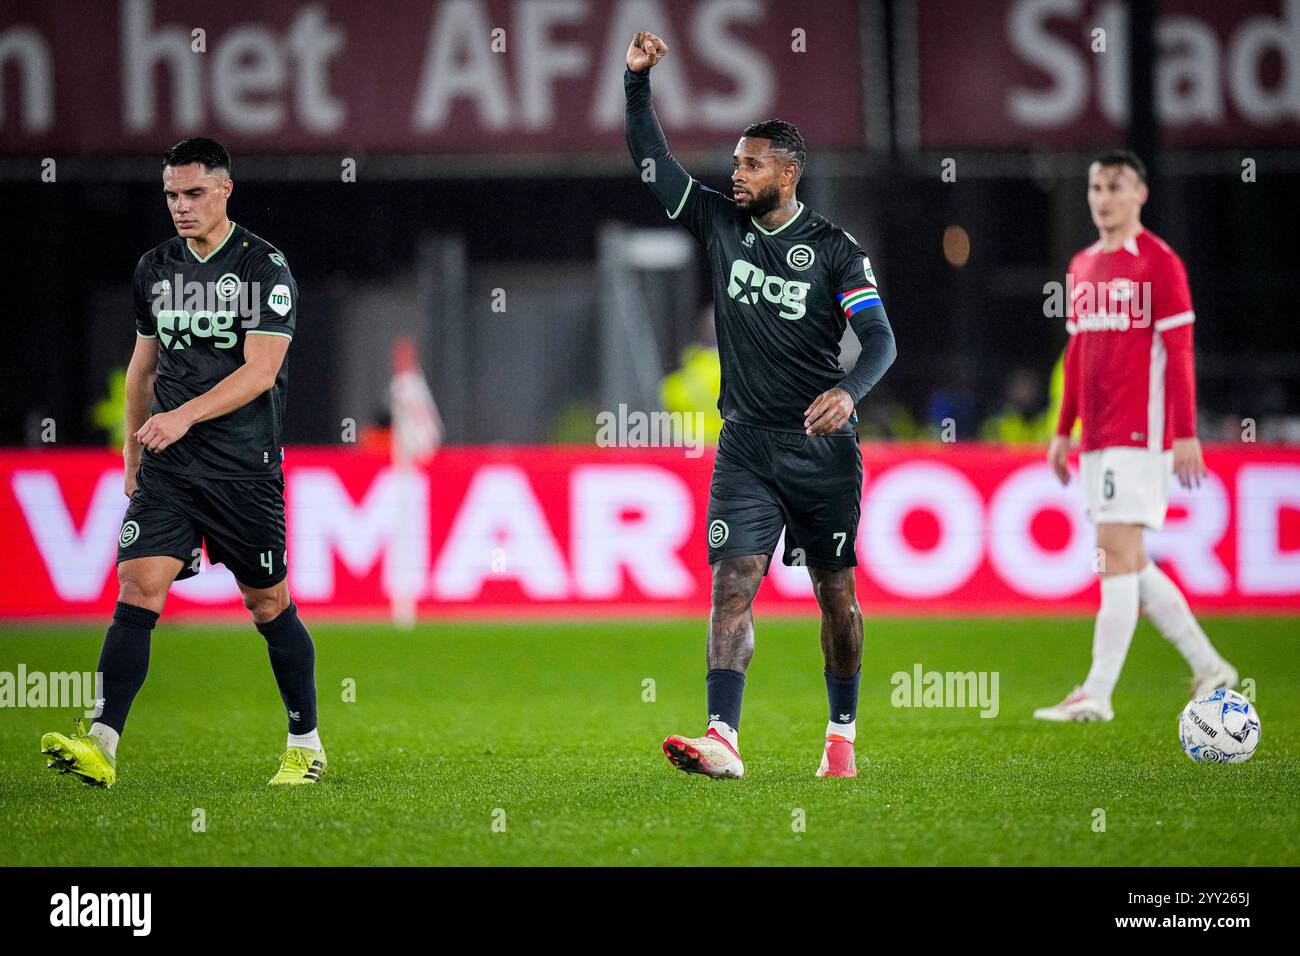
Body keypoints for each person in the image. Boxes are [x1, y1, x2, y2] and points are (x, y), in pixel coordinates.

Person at [625, 32, 896, 778]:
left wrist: (848, 391)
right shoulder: (718, 222)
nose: (735, 173)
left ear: (788, 171)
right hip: (746, 445)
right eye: (737, 162)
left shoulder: (837, 251)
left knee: (836, 598)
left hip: (821, 454)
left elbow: (880, 341)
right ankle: (724, 737)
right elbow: (654, 167)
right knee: (732, 582)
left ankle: (841, 734)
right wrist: (636, 85)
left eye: (751, 164)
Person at [40, 138, 326, 786]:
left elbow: (261, 371)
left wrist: (185, 415)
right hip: (170, 466)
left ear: (225, 190)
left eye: (194, 193)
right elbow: (144, 367)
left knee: (268, 604)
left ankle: (305, 744)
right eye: (171, 194)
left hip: (240, 467)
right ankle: (102, 744)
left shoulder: (263, 268)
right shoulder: (155, 268)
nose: (181, 206)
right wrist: (134, 454)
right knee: (138, 587)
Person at [1035, 149, 1236, 723]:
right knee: (1131, 560)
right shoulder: (1082, 265)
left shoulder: (1159, 263)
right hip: (1097, 439)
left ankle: (1097, 693)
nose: (1103, 198)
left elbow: (1179, 352)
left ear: (1140, 194)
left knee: (1113, 557)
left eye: (1116, 187)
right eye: (1096, 187)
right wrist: (1062, 429)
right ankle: (1211, 666)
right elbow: (1077, 355)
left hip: (1139, 433)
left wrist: (1185, 433)